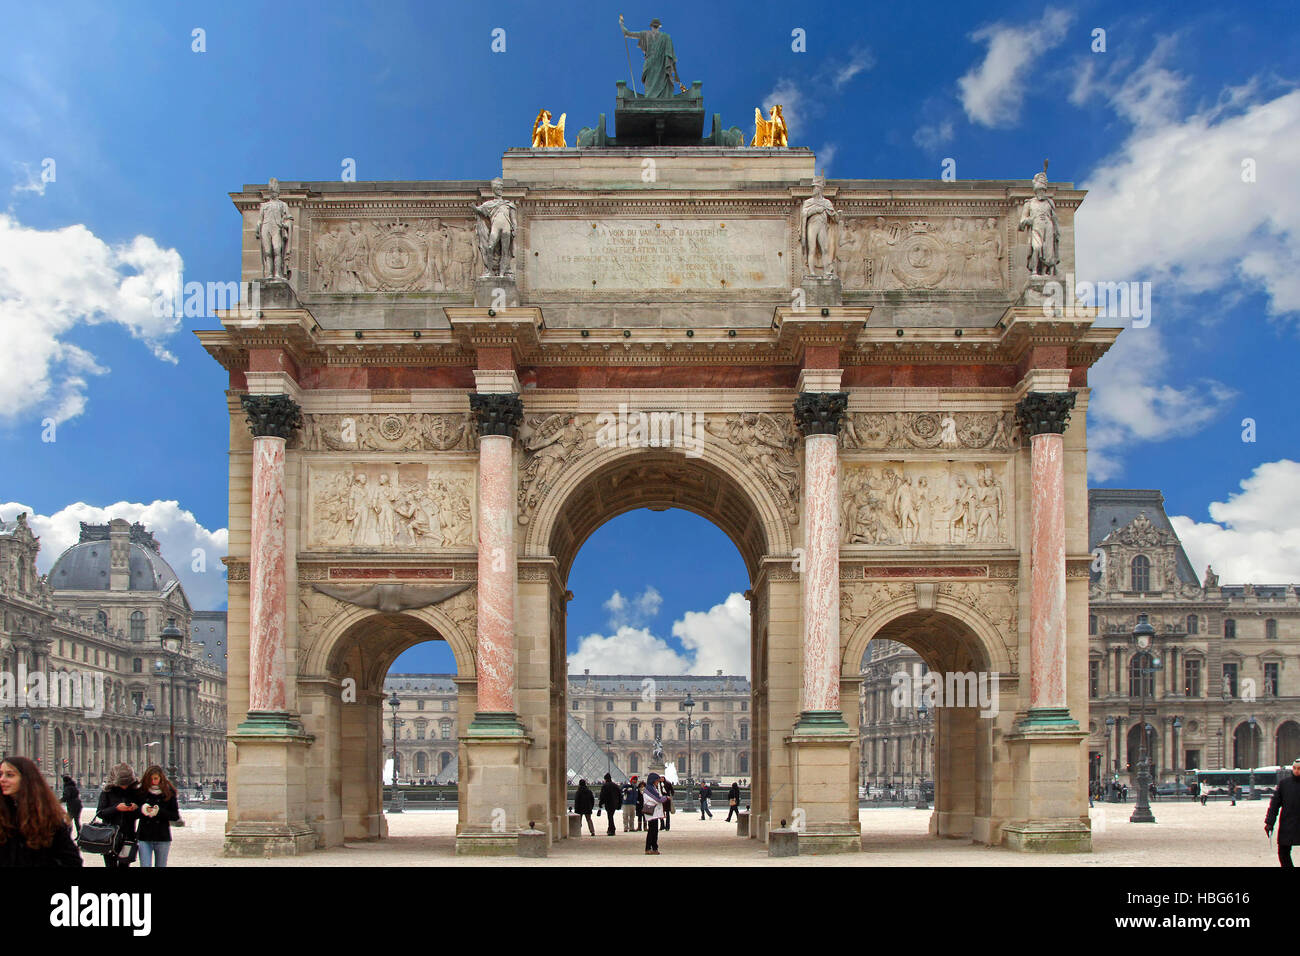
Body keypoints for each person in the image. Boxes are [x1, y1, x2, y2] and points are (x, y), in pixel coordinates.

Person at [0, 756, 82, 867]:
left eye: (10, 775)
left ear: (26, 779)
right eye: (1, 774)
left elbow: (72, 861)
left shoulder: (47, 818)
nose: (2, 779)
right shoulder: (3, 816)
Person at [96, 763, 142, 868]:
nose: (125, 786)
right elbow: (100, 813)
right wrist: (116, 808)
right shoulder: (107, 792)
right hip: (109, 837)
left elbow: (142, 814)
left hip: (128, 836)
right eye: (122, 783)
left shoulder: (135, 792)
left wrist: (135, 809)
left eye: (127, 783)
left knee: (125, 865)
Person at [136, 765, 181, 868]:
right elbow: (133, 813)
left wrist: (159, 812)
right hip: (144, 836)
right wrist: (142, 810)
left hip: (162, 836)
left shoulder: (169, 792)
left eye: (155, 778)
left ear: (160, 778)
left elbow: (175, 816)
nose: (153, 781)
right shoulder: (141, 792)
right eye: (150, 779)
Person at [1265, 758, 1300, 868]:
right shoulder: (1284, 784)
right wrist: (1269, 823)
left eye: (1299, 769)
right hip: (1288, 823)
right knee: (1283, 853)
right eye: (1294, 768)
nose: (1296, 771)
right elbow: (1274, 804)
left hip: (1291, 822)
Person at [642, 773, 667, 855]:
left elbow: (658, 798)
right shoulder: (649, 789)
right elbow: (657, 799)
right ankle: (648, 848)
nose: (658, 782)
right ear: (653, 781)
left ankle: (654, 848)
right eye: (657, 781)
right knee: (652, 831)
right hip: (651, 812)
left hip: (654, 813)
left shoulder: (652, 788)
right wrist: (665, 798)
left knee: (654, 831)